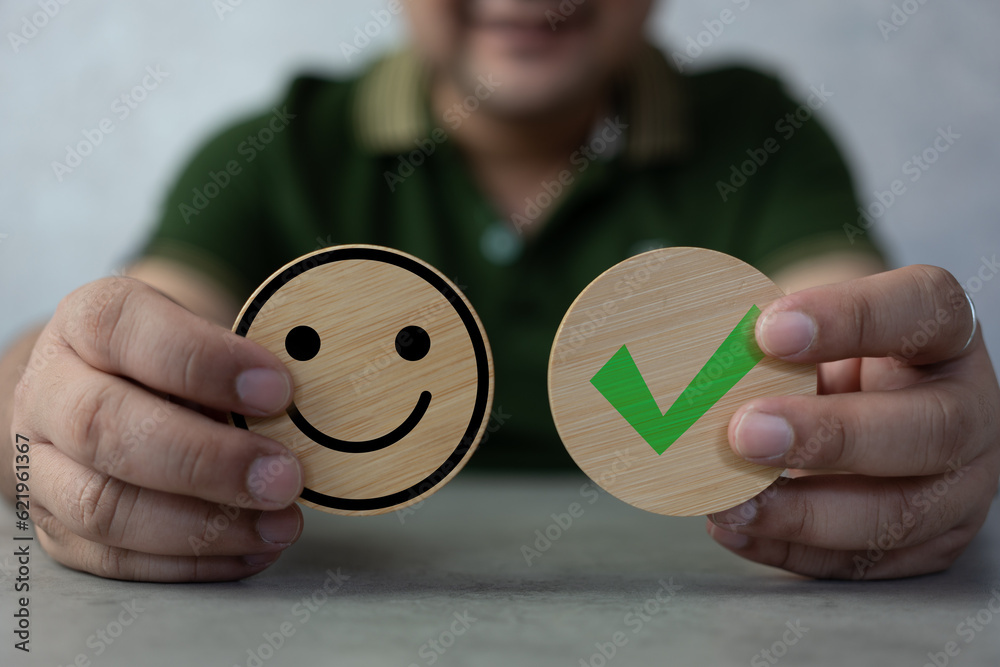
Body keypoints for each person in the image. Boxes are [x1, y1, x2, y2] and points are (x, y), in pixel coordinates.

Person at [2, 0, 997, 583]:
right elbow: (126, 329)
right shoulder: (279, 152)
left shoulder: (759, 135)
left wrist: (904, 417)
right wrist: (45, 413)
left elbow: (854, 332)